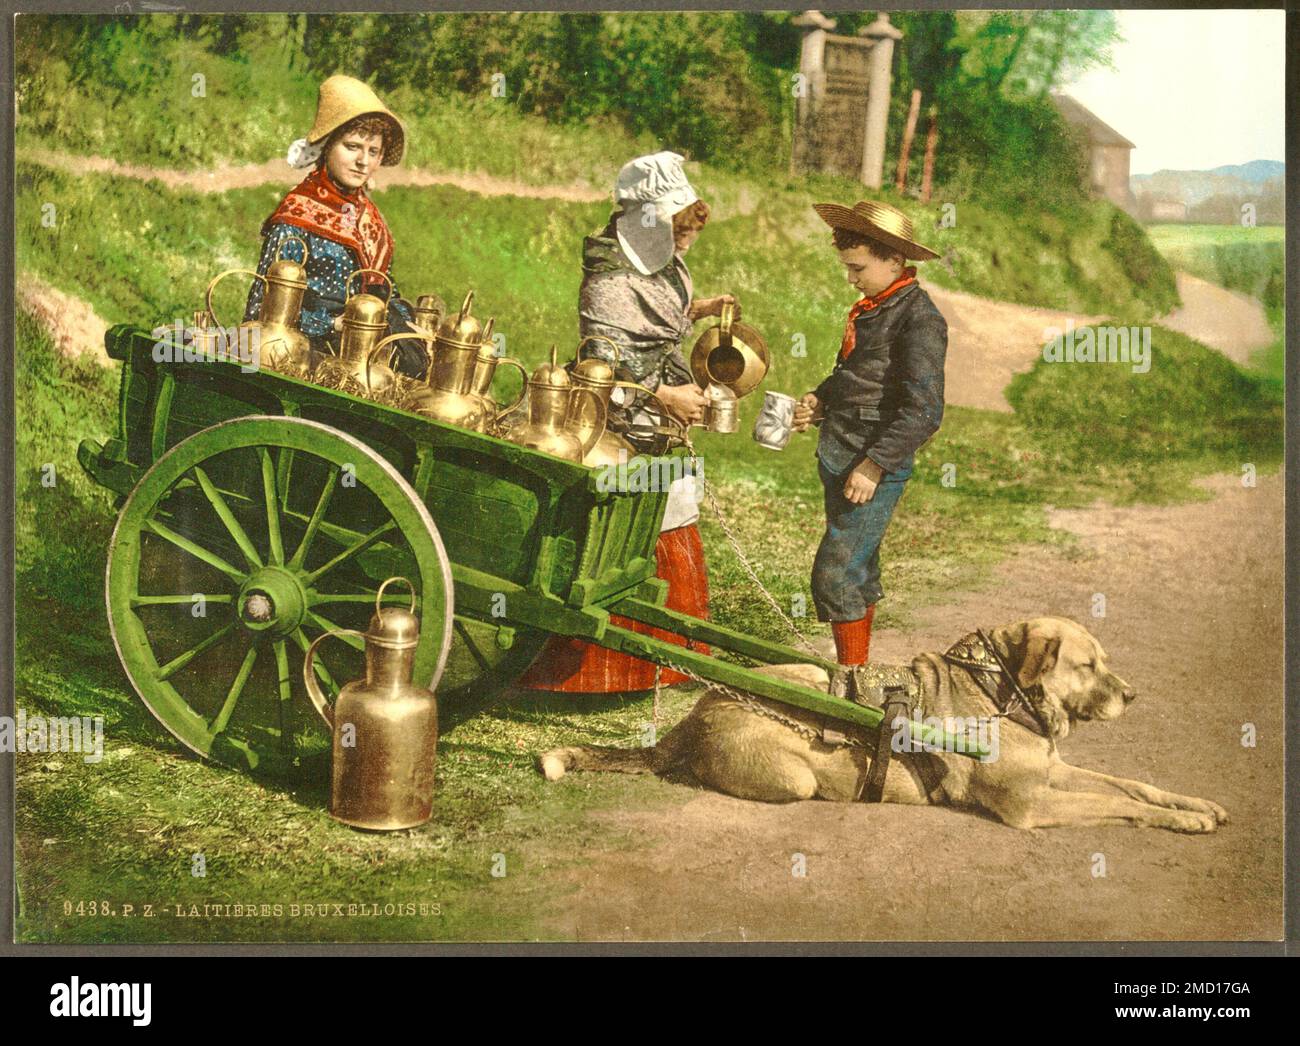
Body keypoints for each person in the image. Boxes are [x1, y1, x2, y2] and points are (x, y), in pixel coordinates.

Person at [519, 151, 738, 693]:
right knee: (623, 512)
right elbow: (607, 362)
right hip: (616, 411)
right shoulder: (608, 280)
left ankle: (668, 661)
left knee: (669, 500)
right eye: (676, 227)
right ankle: (596, 675)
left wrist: (700, 309)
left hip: (656, 410)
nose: (683, 240)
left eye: (687, 230)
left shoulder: (655, 256)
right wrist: (664, 395)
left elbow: (657, 320)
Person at [791, 199, 948, 673]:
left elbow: (924, 411)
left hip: (869, 469)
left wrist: (874, 464)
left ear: (895, 260)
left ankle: (851, 682)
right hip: (842, 455)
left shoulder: (919, 319)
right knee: (858, 570)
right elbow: (860, 374)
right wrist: (821, 400)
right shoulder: (877, 306)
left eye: (857, 268)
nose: (850, 278)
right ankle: (858, 672)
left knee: (835, 575)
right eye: (846, 267)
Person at [243, 75, 427, 377]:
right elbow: (261, 309)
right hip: (300, 358)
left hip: (362, 359)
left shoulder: (371, 223)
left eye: (373, 152)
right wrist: (332, 324)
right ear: (327, 147)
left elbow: (385, 290)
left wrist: (407, 326)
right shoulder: (296, 217)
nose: (362, 162)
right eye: (352, 146)